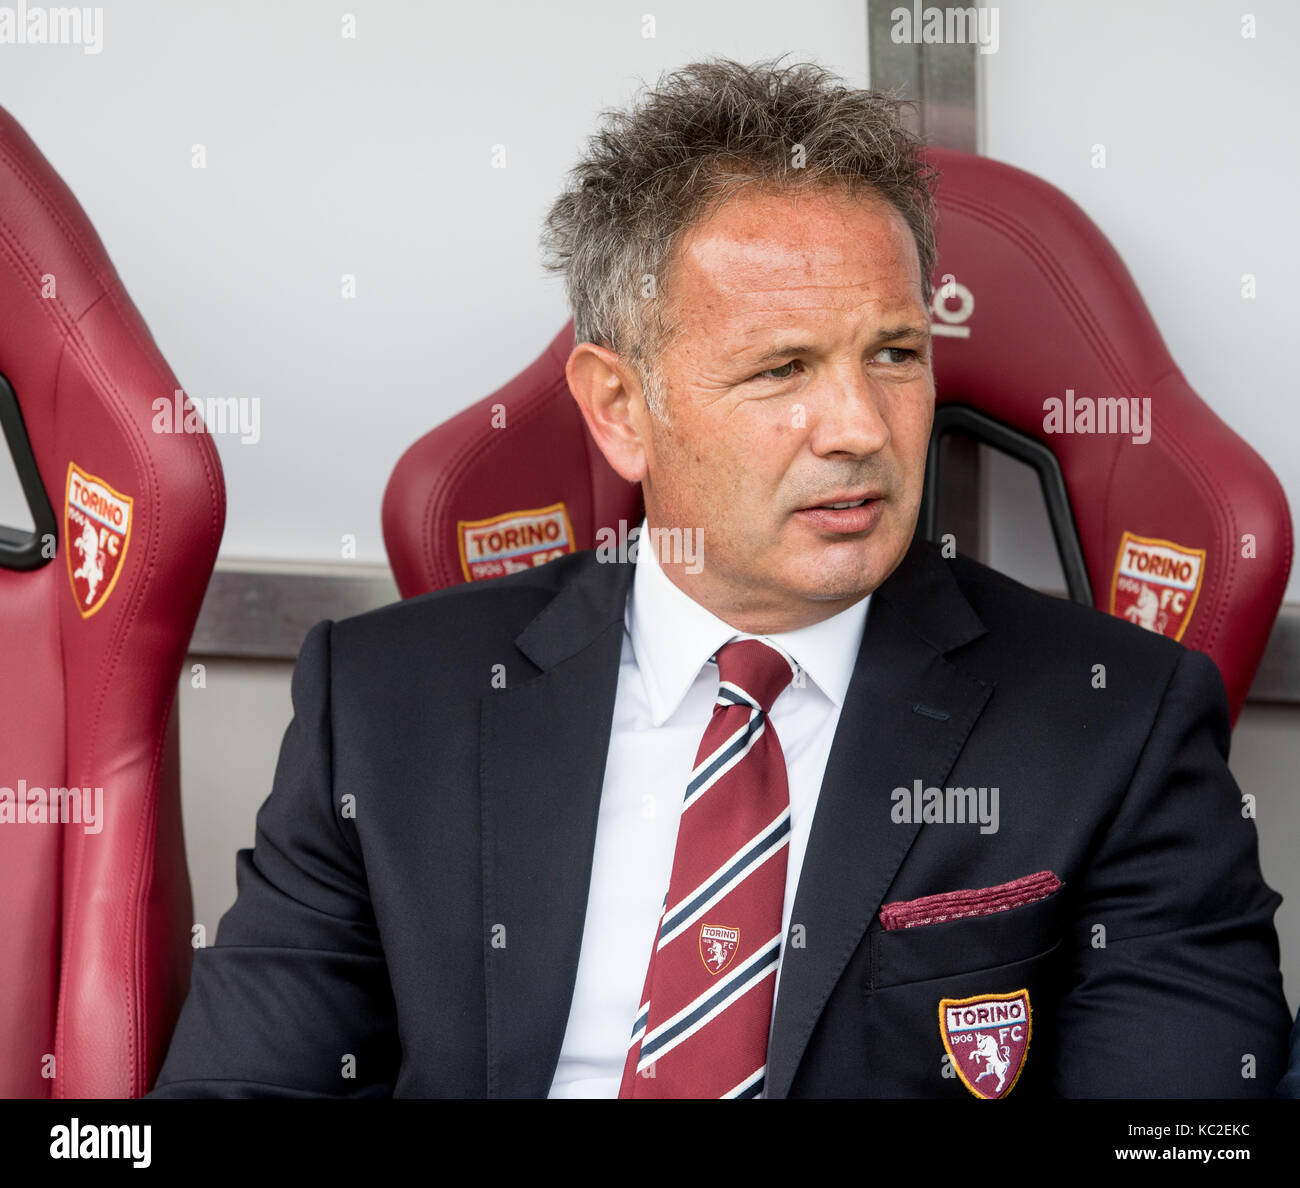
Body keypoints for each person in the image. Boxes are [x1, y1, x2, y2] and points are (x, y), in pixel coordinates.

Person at [148, 56, 1290, 1099]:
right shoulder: (387, 703)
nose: (858, 426)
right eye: (781, 368)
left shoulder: (1114, 723)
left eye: (893, 352)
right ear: (619, 409)